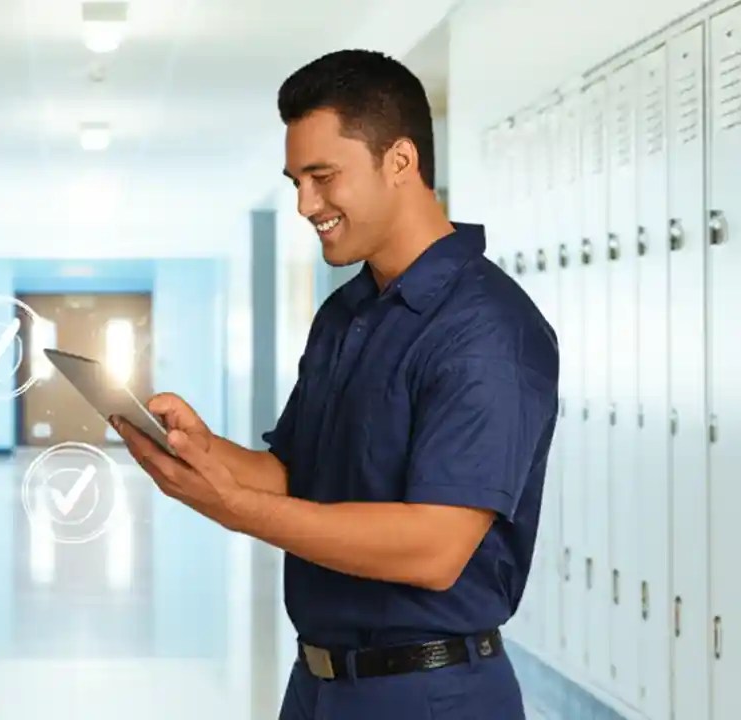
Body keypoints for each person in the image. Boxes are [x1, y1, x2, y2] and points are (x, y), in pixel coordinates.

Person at [111, 48, 559, 719]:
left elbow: (434, 549)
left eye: (322, 177)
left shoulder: (488, 329)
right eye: (296, 181)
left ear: (400, 162)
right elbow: (296, 475)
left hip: (429, 695)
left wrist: (236, 508)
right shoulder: (347, 313)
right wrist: (200, 452)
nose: (304, 204)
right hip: (319, 686)